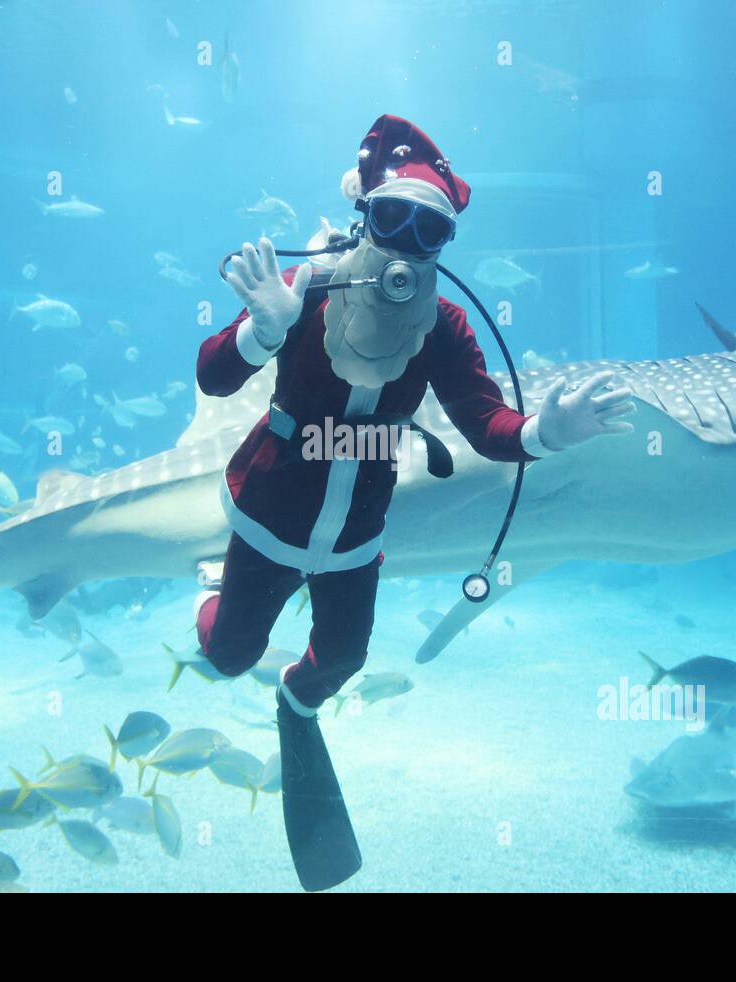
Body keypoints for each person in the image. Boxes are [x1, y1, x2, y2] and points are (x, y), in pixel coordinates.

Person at [194, 114, 635, 887]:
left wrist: (548, 432)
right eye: (390, 216)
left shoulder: (444, 324)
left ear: (443, 244)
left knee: (347, 657)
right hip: (270, 513)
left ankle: (297, 700)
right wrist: (262, 334)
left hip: (357, 533)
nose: (402, 241)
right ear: (365, 212)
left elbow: (488, 427)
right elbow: (214, 377)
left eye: (426, 229)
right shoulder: (305, 287)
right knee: (227, 658)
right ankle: (214, 590)